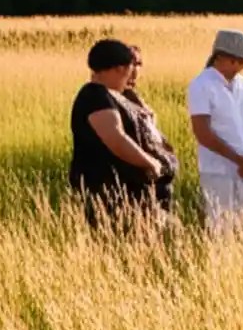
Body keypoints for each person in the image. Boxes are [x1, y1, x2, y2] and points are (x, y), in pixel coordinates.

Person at [69, 39, 163, 225]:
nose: (132, 75)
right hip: (107, 191)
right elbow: (116, 138)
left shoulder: (113, 95)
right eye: (131, 67)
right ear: (120, 68)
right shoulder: (95, 96)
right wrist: (149, 162)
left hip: (127, 191)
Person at [187, 29, 243, 233]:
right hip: (218, 171)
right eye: (241, 61)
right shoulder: (201, 85)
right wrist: (240, 160)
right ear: (224, 58)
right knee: (222, 230)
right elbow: (202, 132)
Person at [123, 44, 179, 214]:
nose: (135, 71)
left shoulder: (135, 98)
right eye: (130, 64)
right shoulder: (108, 102)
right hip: (137, 183)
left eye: (139, 64)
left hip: (159, 181)